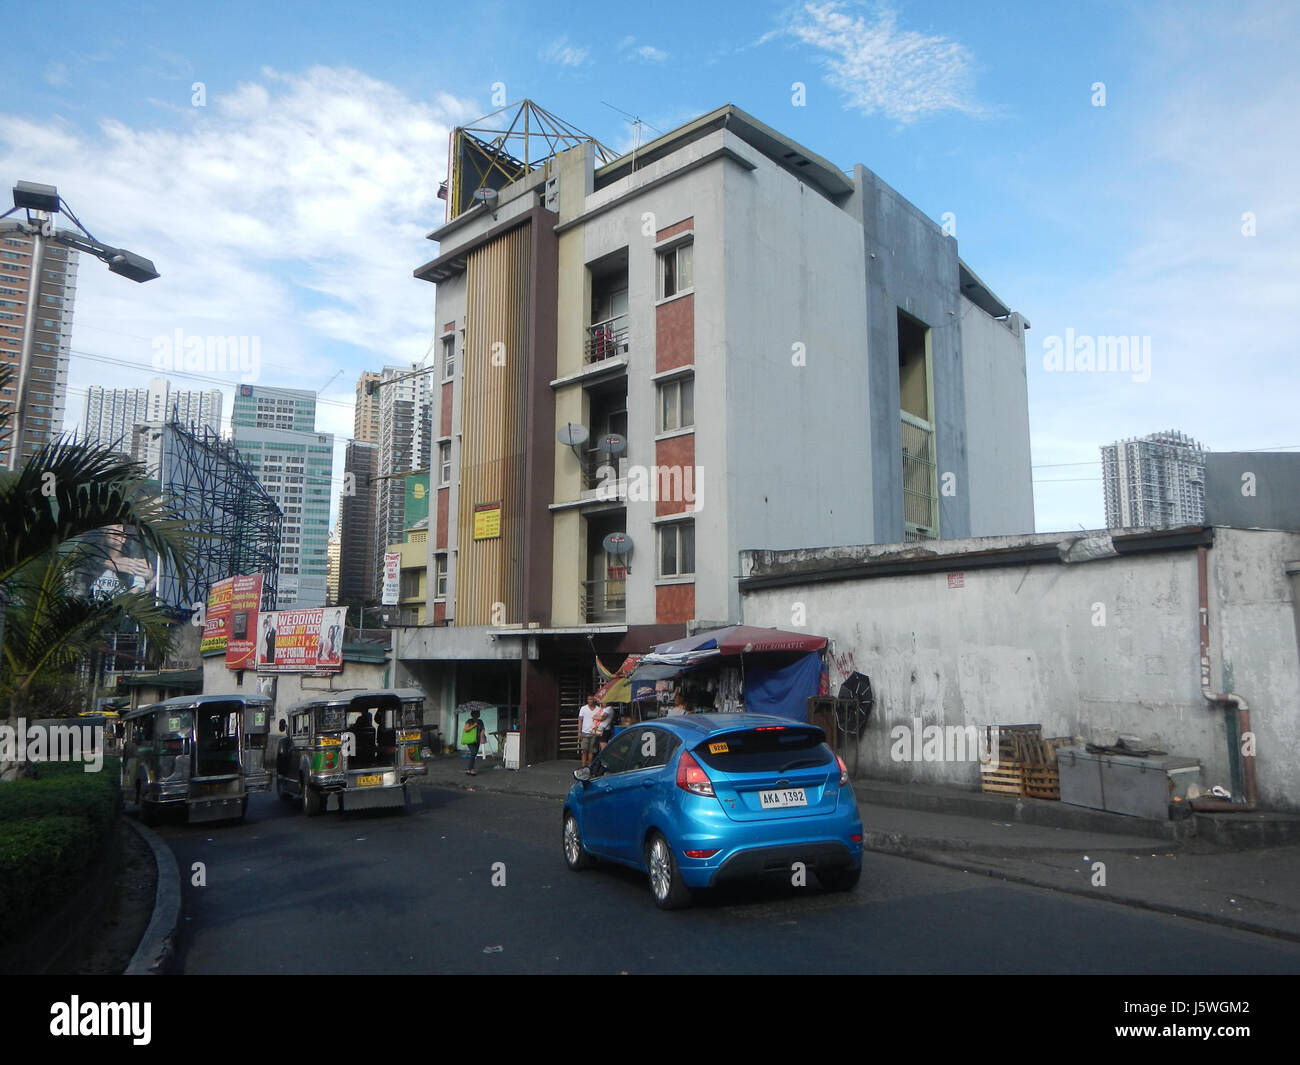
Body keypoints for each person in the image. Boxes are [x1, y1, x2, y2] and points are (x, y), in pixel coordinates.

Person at [578, 695, 600, 767]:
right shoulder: (583, 708)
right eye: (588, 699)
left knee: (591, 751)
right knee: (584, 750)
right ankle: (583, 766)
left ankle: (589, 766)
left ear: (594, 700)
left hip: (593, 732)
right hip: (585, 732)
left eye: (591, 699)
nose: (590, 701)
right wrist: (579, 732)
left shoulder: (598, 709)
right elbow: (580, 720)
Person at [463, 709, 486, 776]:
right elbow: (466, 729)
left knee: (474, 754)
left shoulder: (480, 721)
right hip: (470, 740)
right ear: (473, 714)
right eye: (477, 713)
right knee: (473, 752)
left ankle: (469, 769)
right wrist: (474, 725)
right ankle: (471, 769)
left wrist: (482, 736)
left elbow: (483, 729)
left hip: (477, 740)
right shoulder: (469, 721)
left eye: (479, 713)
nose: (479, 714)